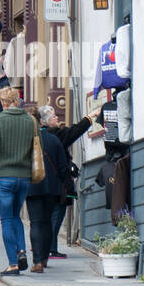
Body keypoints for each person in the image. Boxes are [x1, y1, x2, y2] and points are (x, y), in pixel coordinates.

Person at [0, 86, 35, 275]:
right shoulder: (31, 120)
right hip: (24, 177)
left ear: (3, 102)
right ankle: (21, 251)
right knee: (17, 217)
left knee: (6, 219)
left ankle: (13, 263)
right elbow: (37, 148)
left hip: (5, 175)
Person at [45, 102, 101, 256]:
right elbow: (74, 132)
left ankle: (48, 247)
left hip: (43, 183)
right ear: (45, 120)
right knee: (57, 214)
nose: (57, 117)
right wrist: (90, 117)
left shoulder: (39, 134)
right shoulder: (55, 134)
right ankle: (49, 248)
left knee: (49, 215)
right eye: (53, 115)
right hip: (58, 183)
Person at [26, 104, 69, 271]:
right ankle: (44, 258)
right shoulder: (53, 139)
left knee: (35, 223)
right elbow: (63, 166)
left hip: (33, 186)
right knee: (47, 223)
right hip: (52, 187)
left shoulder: (28, 140)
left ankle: (37, 260)